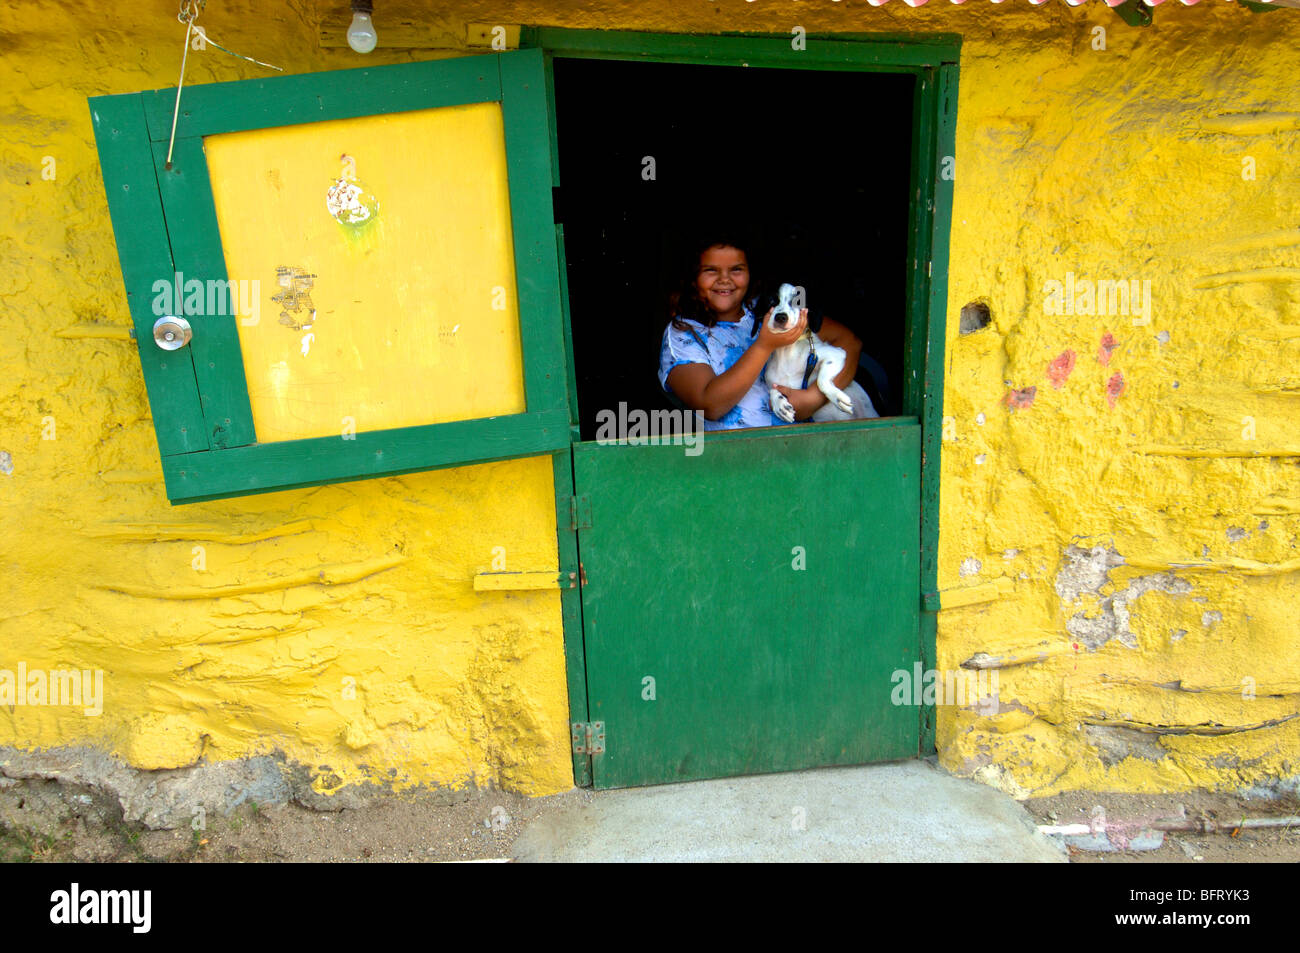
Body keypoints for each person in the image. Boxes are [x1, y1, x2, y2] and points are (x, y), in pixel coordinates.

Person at [657, 238, 864, 430]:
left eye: (736, 269)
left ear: (750, 273)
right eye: (711, 270)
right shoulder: (682, 333)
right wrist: (764, 346)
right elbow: (709, 404)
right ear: (693, 277)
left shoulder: (772, 309)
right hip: (737, 458)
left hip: (807, 448)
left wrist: (813, 398)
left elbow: (849, 343)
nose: (725, 279)